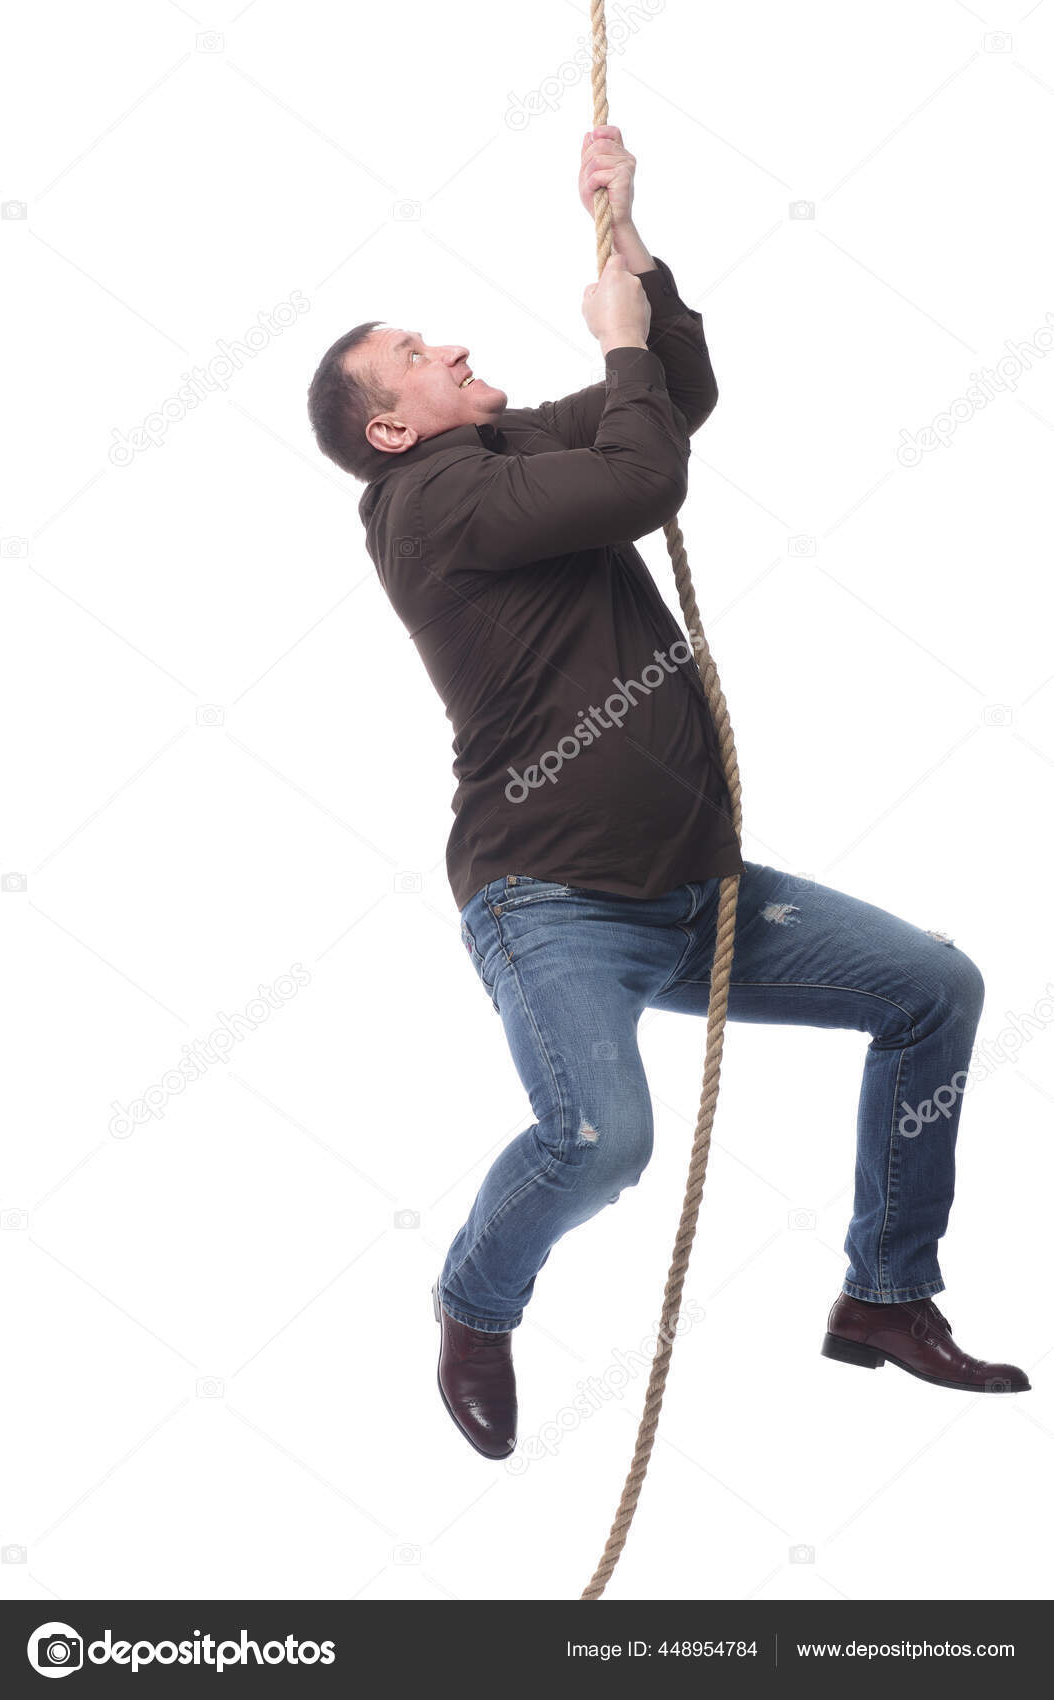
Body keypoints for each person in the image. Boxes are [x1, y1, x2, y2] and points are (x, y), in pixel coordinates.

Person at [307, 126, 1030, 1460]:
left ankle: (886, 1294)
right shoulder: (432, 511)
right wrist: (617, 341)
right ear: (390, 427)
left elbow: (672, 404)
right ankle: (475, 1302)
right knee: (601, 1140)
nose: (453, 346)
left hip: (696, 892)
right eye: (417, 356)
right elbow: (646, 475)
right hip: (553, 904)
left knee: (937, 986)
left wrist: (628, 239)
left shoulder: (510, 451)